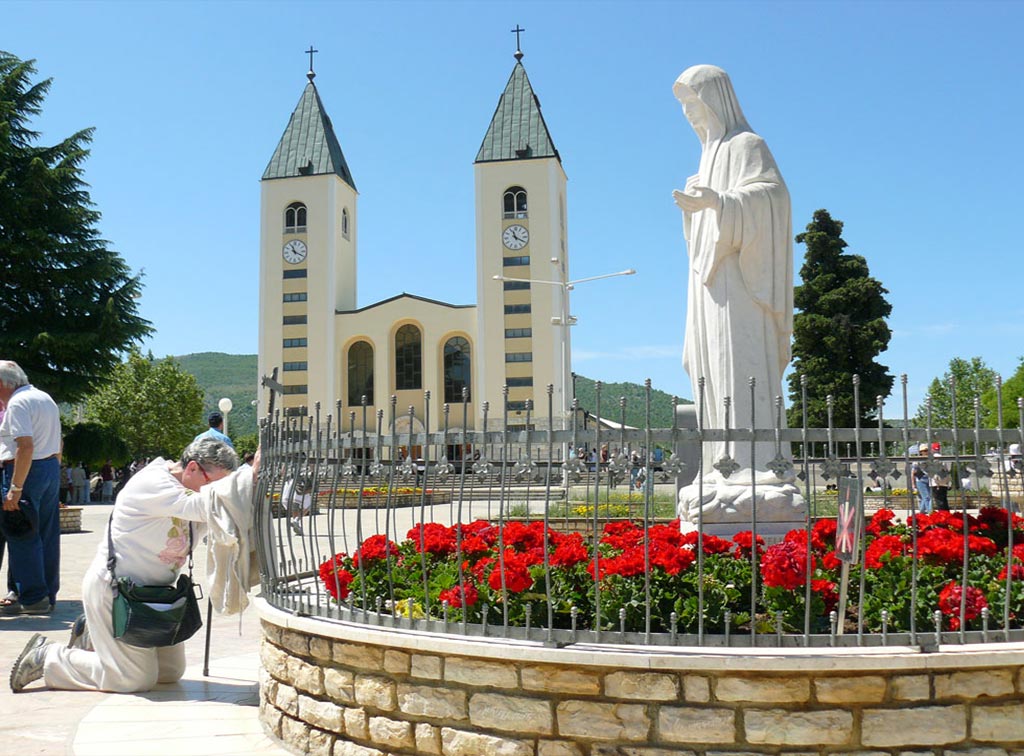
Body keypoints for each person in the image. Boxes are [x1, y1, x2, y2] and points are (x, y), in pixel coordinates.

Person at [9, 438, 241, 693]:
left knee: (169, 673)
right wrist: (249, 479)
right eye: (213, 485)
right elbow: (206, 506)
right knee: (133, 679)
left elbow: (222, 516)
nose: (215, 492)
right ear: (193, 468)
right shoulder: (154, 483)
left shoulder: (190, 490)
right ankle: (49, 657)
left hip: (155, 597)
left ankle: (93, 637)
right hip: (117, 591)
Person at [672, 65, 793, 473]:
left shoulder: (747, 145)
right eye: (684, 106)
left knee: (740, 369)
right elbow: (700, 232)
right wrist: (694, 211)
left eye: (693, 102)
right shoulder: (705, 158)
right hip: (707, 284)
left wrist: (720, 203)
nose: (689, 113)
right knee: (705, 368)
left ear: (715, 100)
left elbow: (773, 198)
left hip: (739, 282)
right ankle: (719, 465)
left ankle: (755, 466)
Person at [0, 361, 63, 615]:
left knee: (21, 534)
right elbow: (58, 441)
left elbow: (25, 446)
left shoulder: (17, 403)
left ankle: (34, 597)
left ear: (4, 383)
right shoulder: (45, 398)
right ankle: (47, 593)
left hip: (26, 470)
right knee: (46, 535)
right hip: (48, 468)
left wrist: (15, 487)